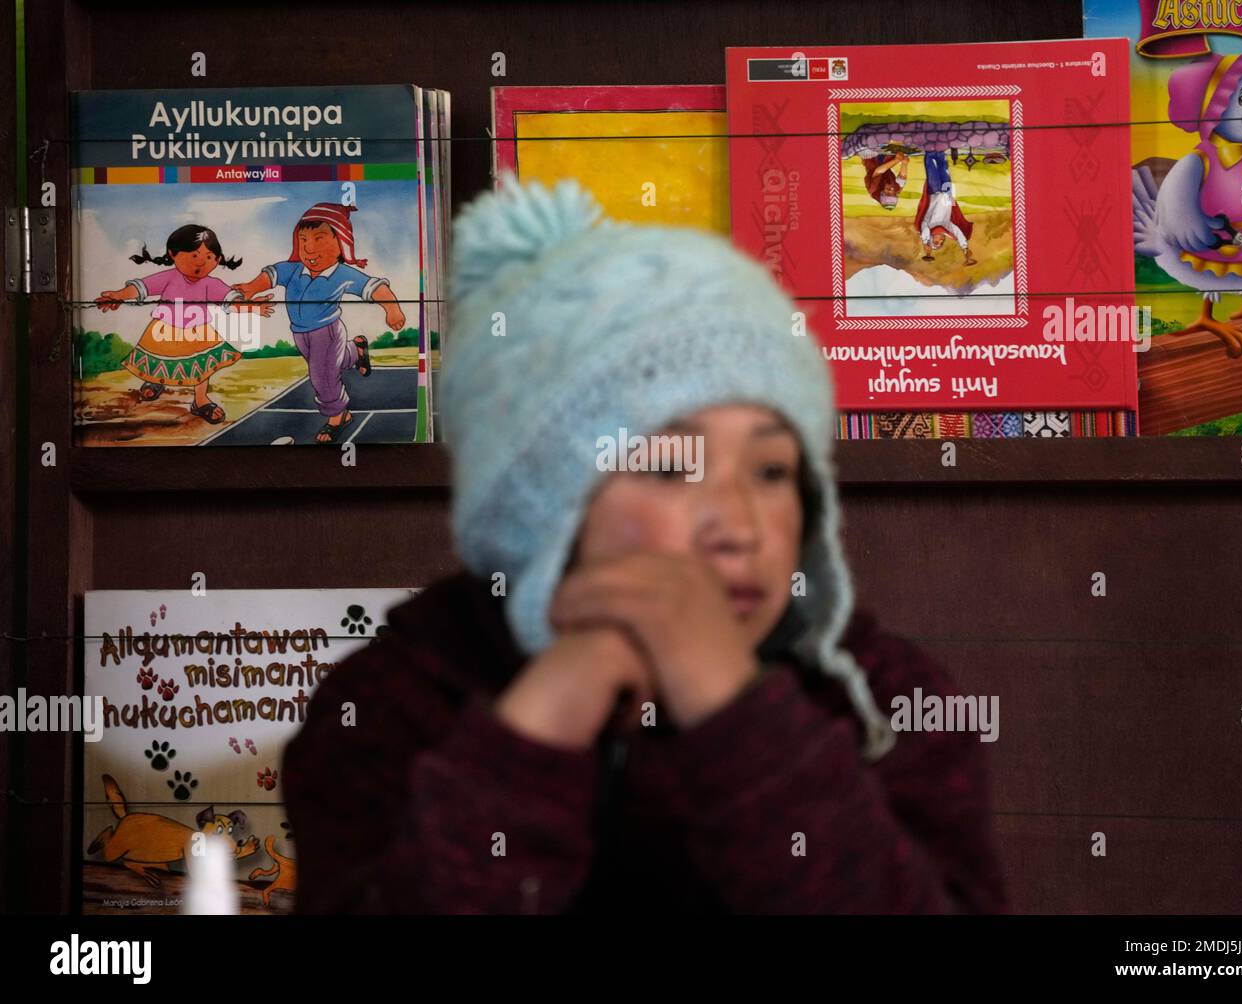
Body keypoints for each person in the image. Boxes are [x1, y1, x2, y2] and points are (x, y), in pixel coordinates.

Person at [281, 178, 1006, 914]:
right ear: (542, 509)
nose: (740, 524)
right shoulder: (391, 704)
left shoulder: (882, 699)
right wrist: (539, 729)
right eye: (669, 467)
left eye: (771, 470)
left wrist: (734, 709)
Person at [233, 203, 406, 443]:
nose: (309, 247)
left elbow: (377, 287)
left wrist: (393, 310)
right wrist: (251, 288)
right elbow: (270, 274)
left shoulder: (343, 274)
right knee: (331, 364)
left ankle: (338, 415)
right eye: (303, 240)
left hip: (327, 331)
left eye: (319, 238)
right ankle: (356, 350)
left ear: (341, 244)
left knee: (322, 375)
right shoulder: (293, 270)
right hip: (300, 333)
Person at [96, 224, 273, 424]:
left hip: (200, 333)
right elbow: (142, 288)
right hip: (164, 330)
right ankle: (156, 382)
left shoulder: (212, 284)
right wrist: (119, 296)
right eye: (194, 255)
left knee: (201, 368)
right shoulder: (168, 277)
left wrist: (252, 307)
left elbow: (232, 301)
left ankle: (200, 400)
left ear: (218, 260)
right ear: (173, 254)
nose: (201, 262)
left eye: (209, 257)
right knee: (159, 358)